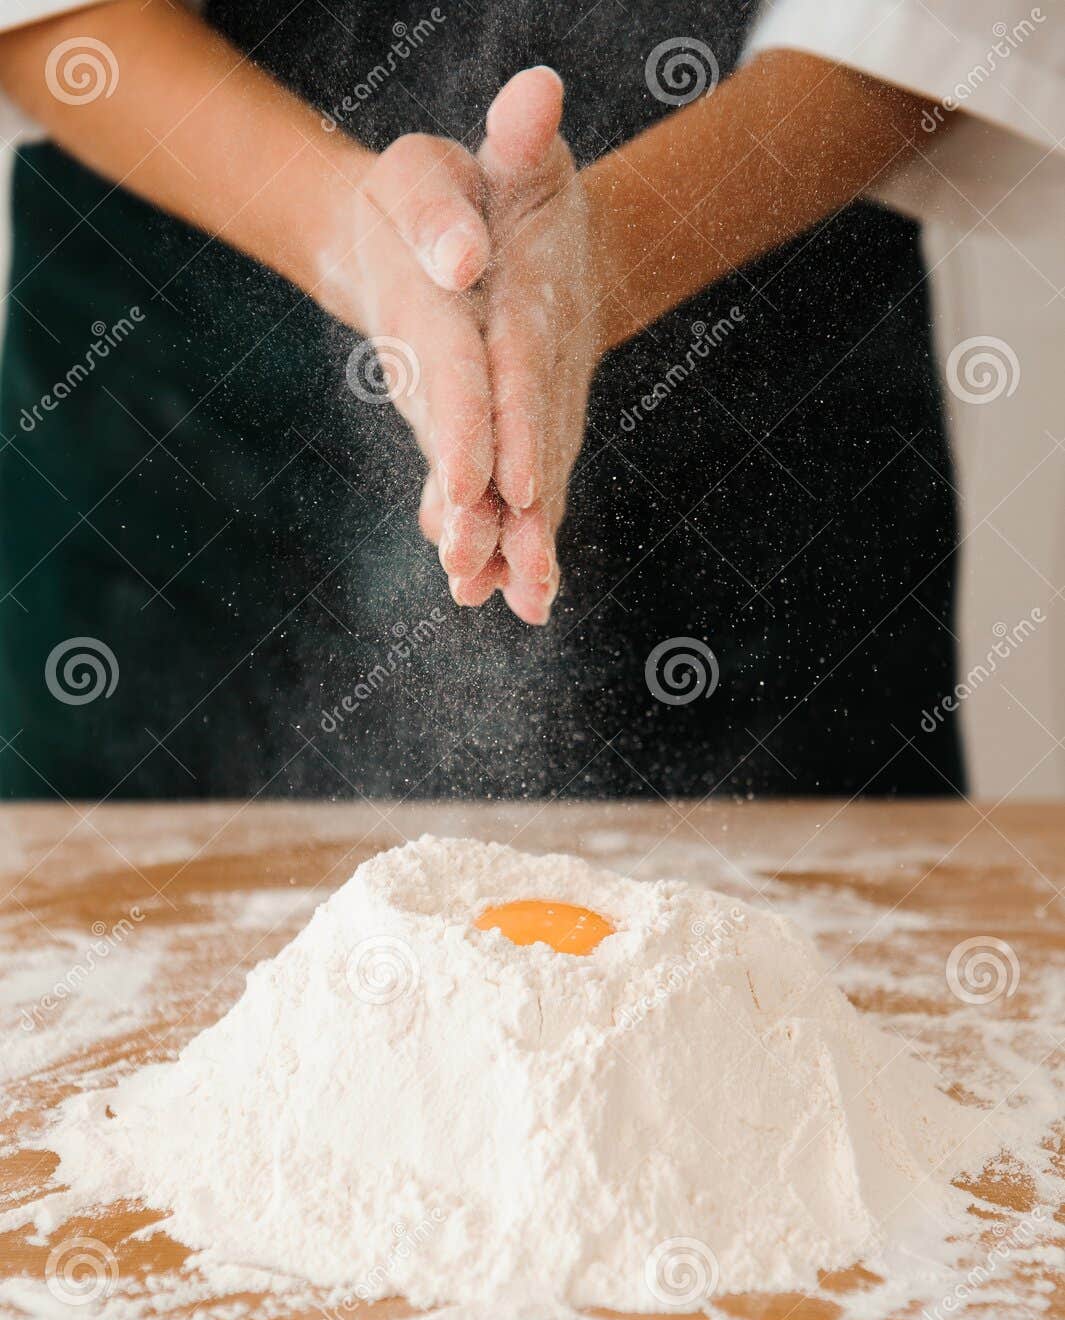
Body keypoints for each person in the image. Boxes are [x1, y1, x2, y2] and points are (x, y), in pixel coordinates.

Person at [0, 1, 1022, 802]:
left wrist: (607, 254)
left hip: (771, 378)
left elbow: (935, 26)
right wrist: (348, 232)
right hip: (165, 399)